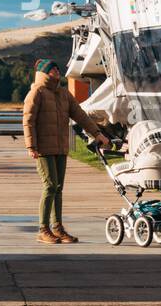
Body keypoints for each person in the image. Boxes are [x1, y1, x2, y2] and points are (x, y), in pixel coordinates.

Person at [22, 58, 108, 244]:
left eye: (57, 69)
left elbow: (80, 115)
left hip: (61, 147)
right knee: (50, 185)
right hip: (43, 148)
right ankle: (43, 229)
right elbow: (28, 120)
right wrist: (31, 146)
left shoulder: (63, 94)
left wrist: (97, 133)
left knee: (58, 189)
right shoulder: (36, 92)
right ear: (45, 73)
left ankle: (58, 228)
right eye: (53, 70)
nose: (57, 72)